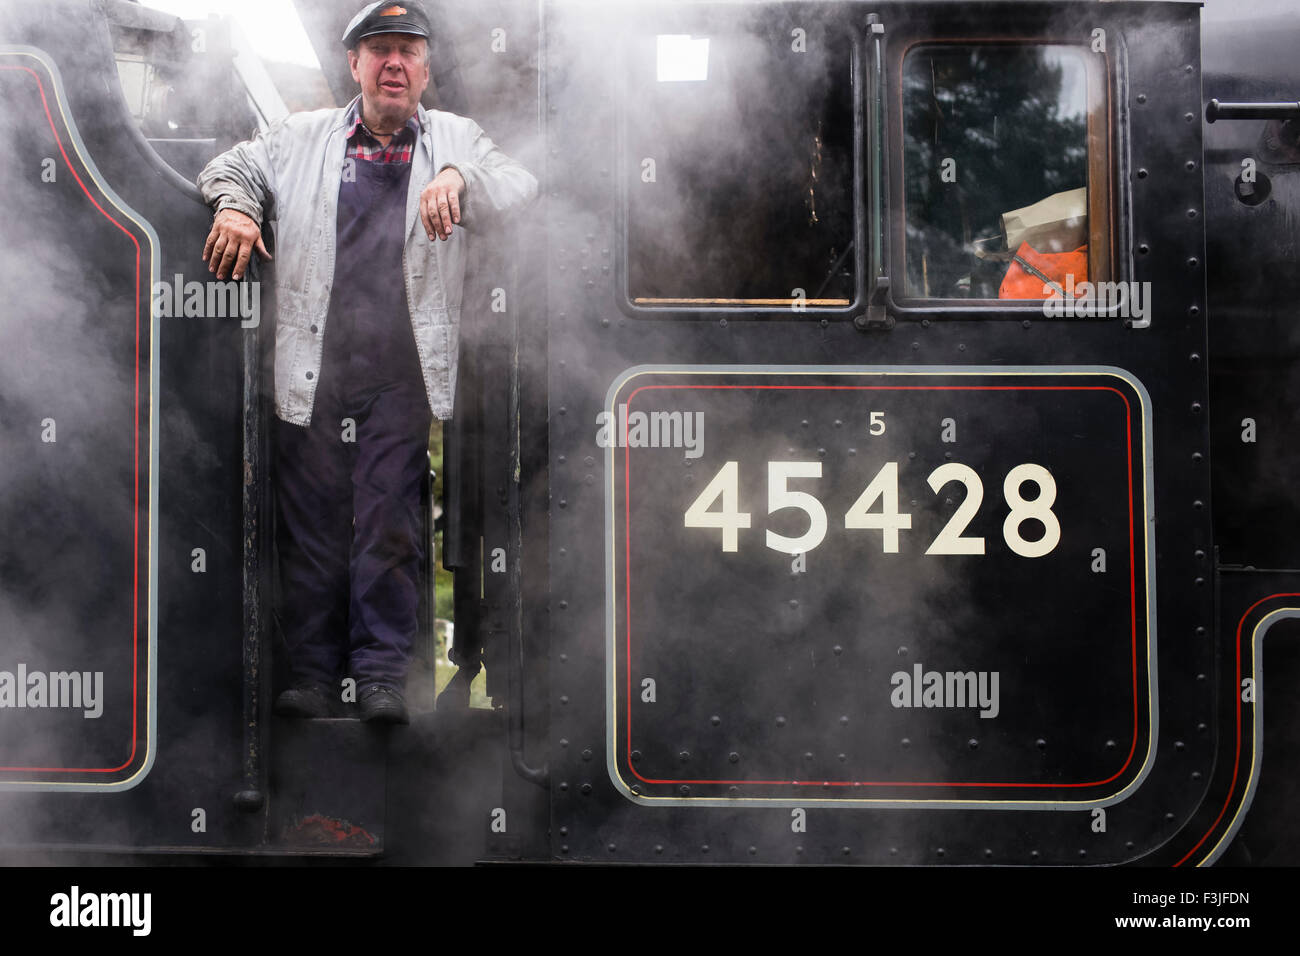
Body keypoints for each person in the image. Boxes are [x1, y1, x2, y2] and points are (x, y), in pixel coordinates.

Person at [197, 1, 537, 723]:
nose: (394, 64)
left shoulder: (456, 138)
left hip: (401, 372)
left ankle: (382, 679)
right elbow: (232, 166)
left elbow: (519, 184)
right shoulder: (302, 135)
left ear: (424, 67)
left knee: (388, 520)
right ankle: (314, 679)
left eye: (407, 52)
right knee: (314, 525)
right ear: (353, 65)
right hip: (314, 362)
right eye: (379, 50)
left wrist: (461, 181)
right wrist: (236, 207)